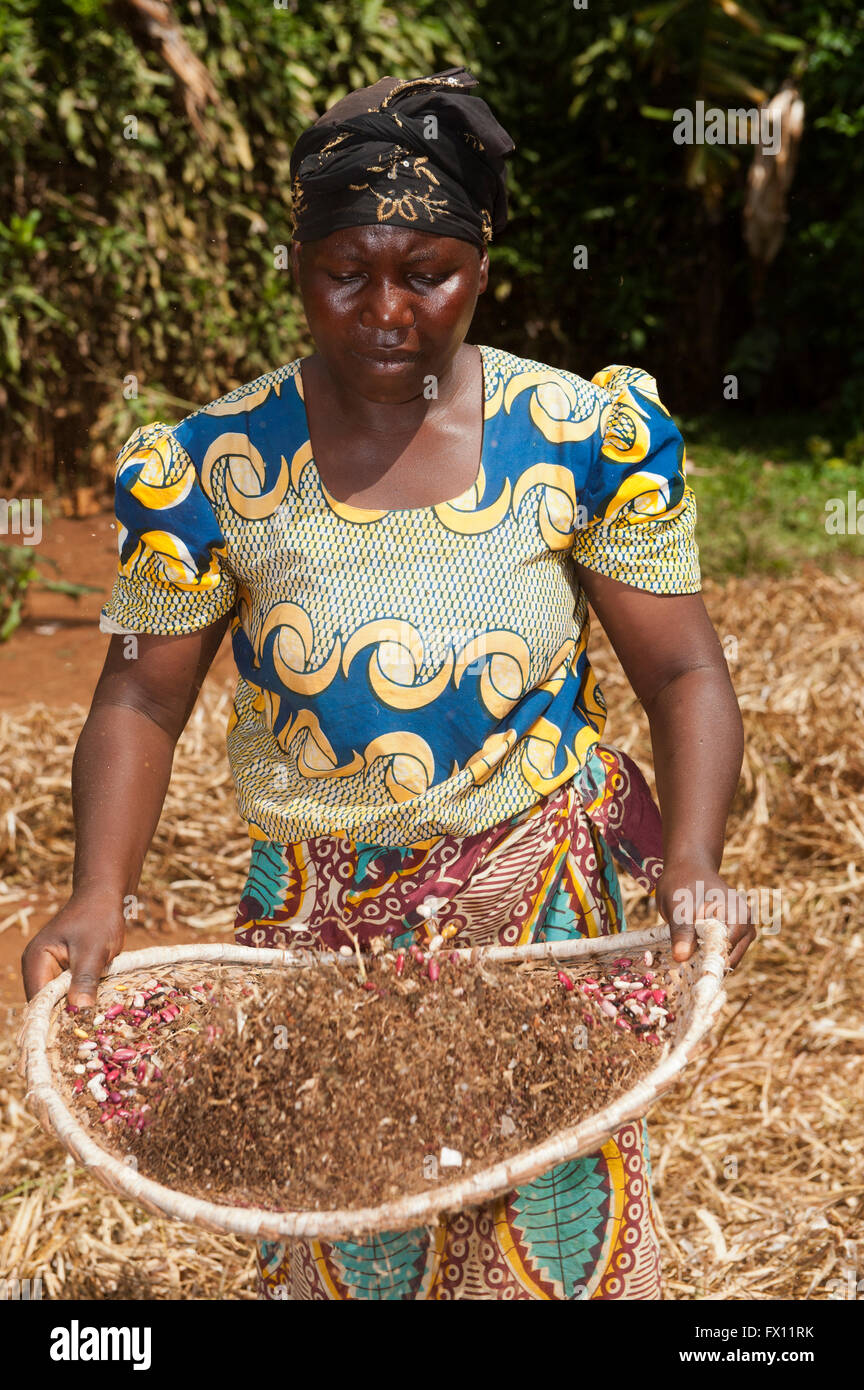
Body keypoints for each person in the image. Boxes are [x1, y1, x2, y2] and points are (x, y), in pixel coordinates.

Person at [23, 66, 755, 1300]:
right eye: (345, 272)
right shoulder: (214, 468)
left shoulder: (579, 436)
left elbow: (683, 669)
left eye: (429, 274)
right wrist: (101, 892)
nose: (385, 311)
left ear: (482, 267)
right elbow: (143, 700)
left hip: (542, 924)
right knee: (348, 1232)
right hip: (322, 933)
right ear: (295, 266)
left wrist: (688, 862)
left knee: (549, 1239)